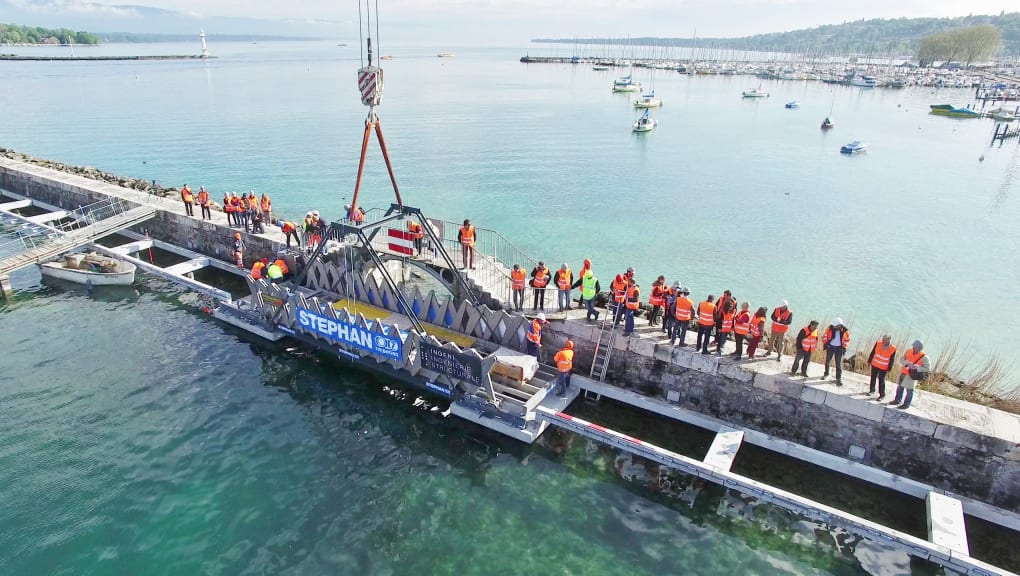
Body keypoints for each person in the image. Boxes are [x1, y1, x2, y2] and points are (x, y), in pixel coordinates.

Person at [889, 339, 929, 410]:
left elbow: (927, 369)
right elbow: (902, 359)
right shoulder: (909, 351)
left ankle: (906, 404)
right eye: (913, 346)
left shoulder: (924, 357)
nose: (913, 348)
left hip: (912, 376)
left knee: (909, 390)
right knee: (899, 387)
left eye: (915, 347)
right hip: (903, 372)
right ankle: (897, 400)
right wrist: (907, 363)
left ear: (920, 348)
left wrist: (916, 368)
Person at [868, 335, 897, 401]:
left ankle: (882, 394)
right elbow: (873, 352)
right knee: (873, 377)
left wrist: (889, 368)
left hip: (883, 367)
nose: (883, 340)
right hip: (875, 364)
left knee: (881, 380)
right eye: (883, 339)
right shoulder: (878, 343)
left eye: (885, 339)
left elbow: (892, 359)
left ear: (889, 340)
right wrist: (869, 361)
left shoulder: (893, 348)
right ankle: (871, 390)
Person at [822, 318, 851, 385]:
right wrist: (826, 344)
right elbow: (824, 337)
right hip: (831, 347)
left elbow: (847, 340)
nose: (834, 327)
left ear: (840, 325)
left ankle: (838, 378)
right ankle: (826, 374)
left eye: (836, 326)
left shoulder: (845, 331)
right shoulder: (829, 329)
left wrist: (844, 347)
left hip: (839, 348)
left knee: (838, 364)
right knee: (827, 361)